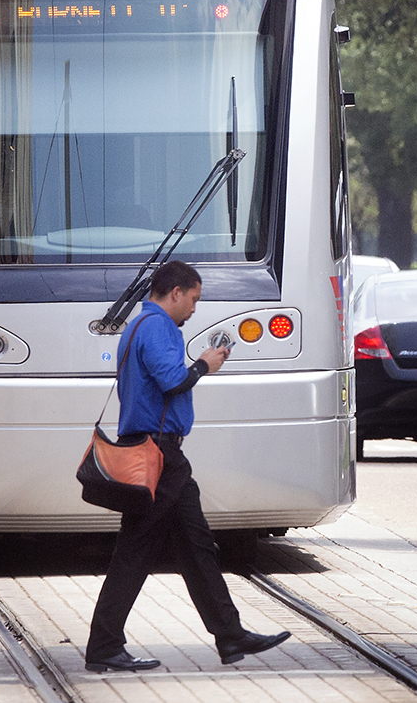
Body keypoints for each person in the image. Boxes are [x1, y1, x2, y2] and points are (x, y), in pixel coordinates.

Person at [84, 261, 291, 673]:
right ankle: (104, 646)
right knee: (135, 553)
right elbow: (172, 381)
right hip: (156, 455)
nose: (195, 308)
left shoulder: (141, 325)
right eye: (194, 299)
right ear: (174, 292)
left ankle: (230, 636)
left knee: (196, 548)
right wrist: (204, 365)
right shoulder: (157, 326)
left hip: (161, 455)